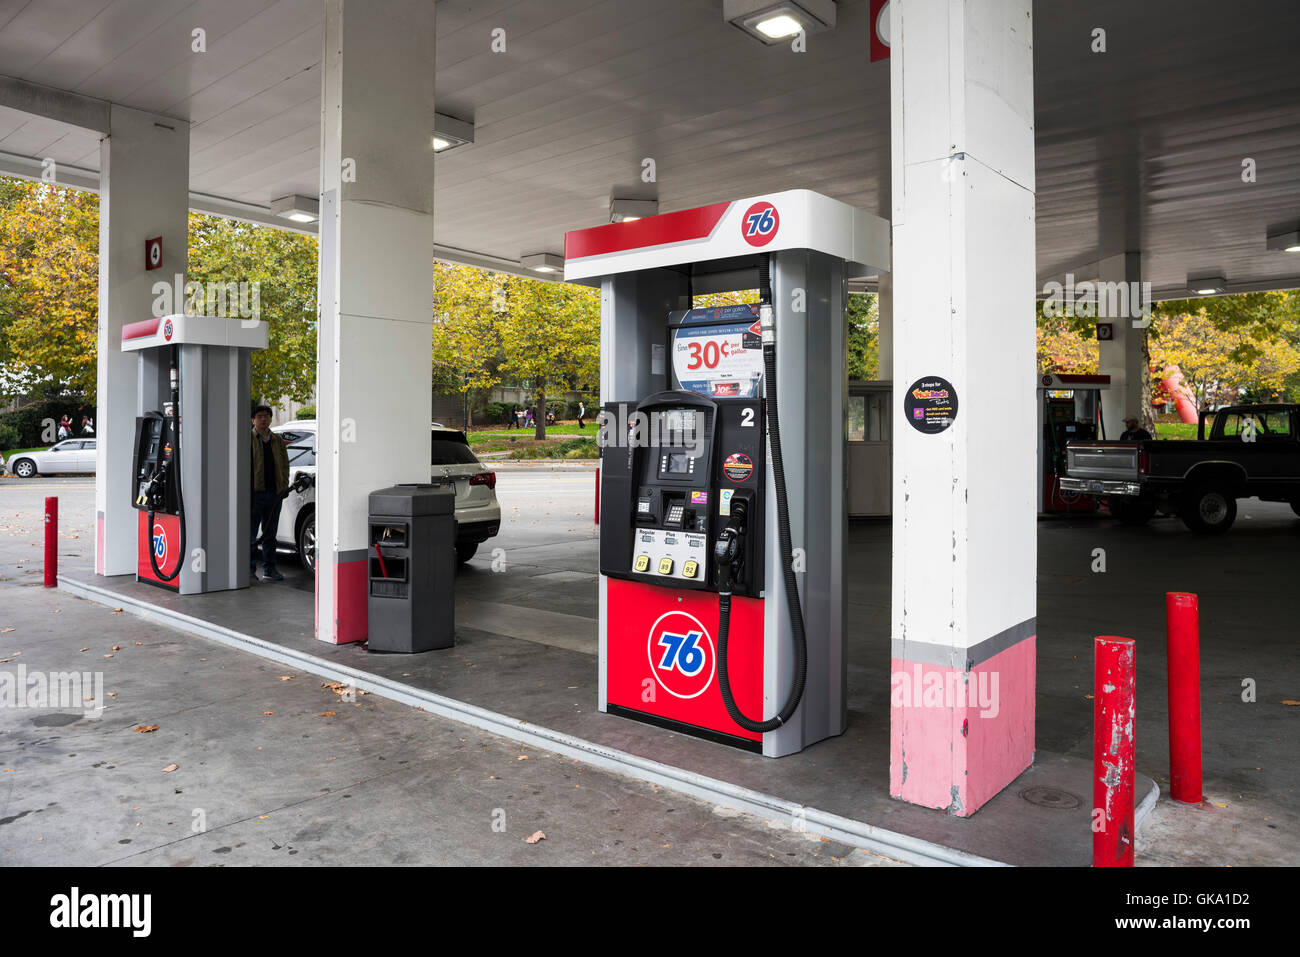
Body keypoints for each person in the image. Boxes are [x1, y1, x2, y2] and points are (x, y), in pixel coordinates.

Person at [250, 404, 290, 581]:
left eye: (266, 416)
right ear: (253, 420)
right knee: (250, 535)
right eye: (259, 416)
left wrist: (284, 486)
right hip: (254, 495)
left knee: (270, 535)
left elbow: (285, 464)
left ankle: (270, 570)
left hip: (274, 495)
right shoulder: (247, 439)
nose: (263, 419)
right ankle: (249, 571)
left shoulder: (277, 440)